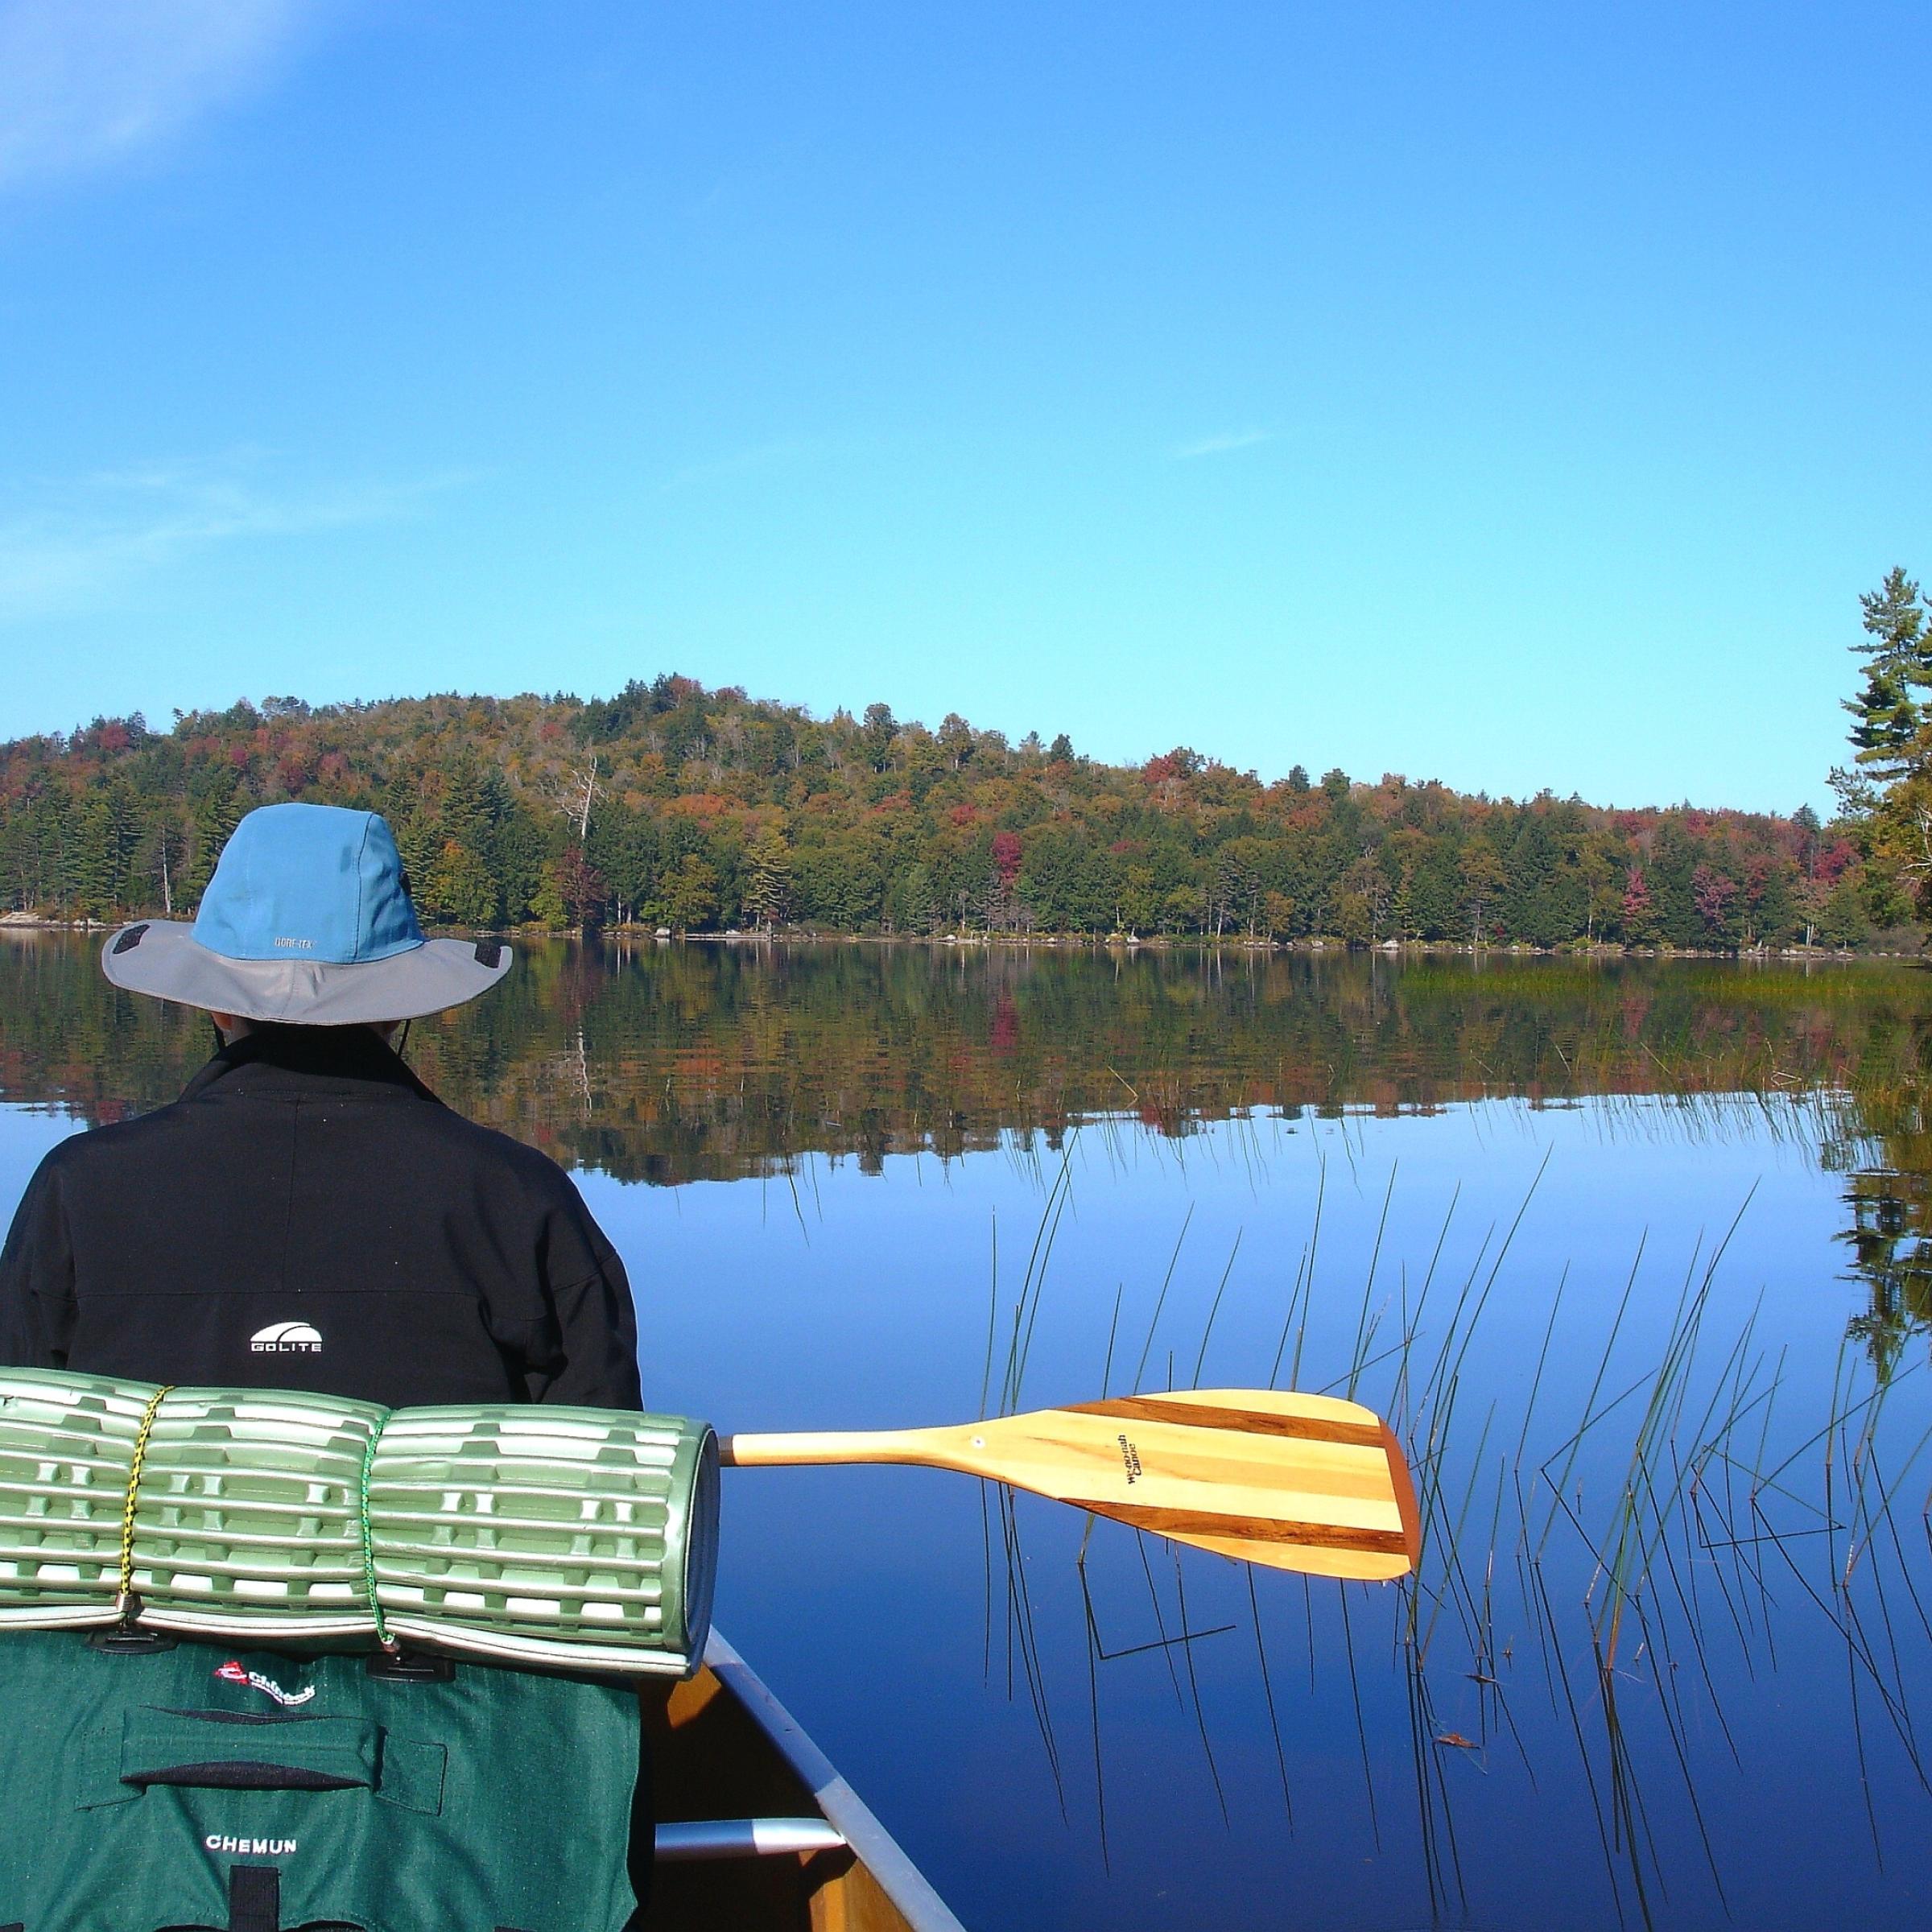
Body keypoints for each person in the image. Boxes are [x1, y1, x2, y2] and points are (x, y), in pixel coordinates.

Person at [0, 801, 654, 1931]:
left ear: (210, 998)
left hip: (121, 1773)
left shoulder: (78, 1190)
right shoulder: (519, 1200)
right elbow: (594, 1535)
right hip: (444, 1776)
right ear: (404, 1005)